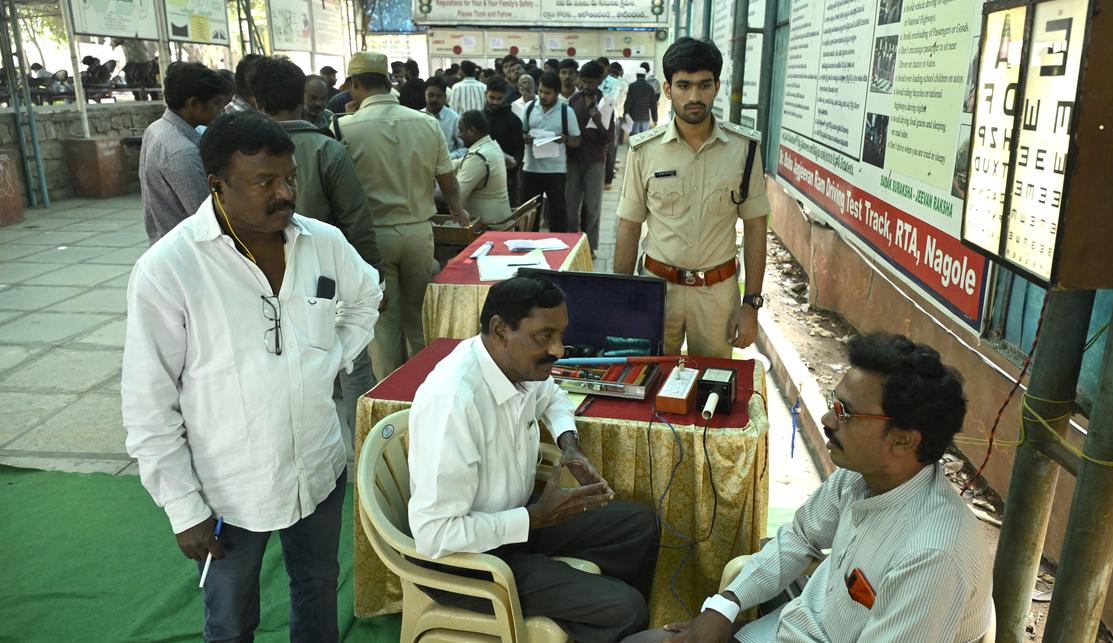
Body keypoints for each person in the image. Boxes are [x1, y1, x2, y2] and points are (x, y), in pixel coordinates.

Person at [122, 110, 382, 643]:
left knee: (317, 585)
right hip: (229, 488)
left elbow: (365, 298)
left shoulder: (322, 241)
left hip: (318, 465)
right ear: (218, 184)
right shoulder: (170, 268)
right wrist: (182, 507)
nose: (285, 193)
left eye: (289, 178)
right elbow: (148, 403)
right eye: (265, 182)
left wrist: (329, 357)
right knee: (230, 617)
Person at [626, 333, 990, 643]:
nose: (828, 419)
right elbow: (801, 537)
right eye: (834, 402)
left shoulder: (932, 557)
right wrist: (725, 606)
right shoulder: (863, 475)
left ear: (904, 441)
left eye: (845, 412)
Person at [408, 276, 659, 643]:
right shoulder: (452, 403)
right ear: (499, 329)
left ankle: (593, 621)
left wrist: (568, 443)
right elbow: (435, 536)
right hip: (467, 563)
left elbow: (552, 397)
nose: (558, 350)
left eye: (561, 334)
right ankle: (606, 615)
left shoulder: (515, 365)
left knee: (640, 525)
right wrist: (534, 518)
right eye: (545, 336)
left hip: (518, 523)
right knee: (627, 609)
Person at [251, 56, 383, 441]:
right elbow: (356, 220)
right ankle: (364, 453)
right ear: (305, 98)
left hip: (267, 276)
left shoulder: (243, 155)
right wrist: (373, 276)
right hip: (329, 276)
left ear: (257, 102)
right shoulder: (326, 149)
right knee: (353, 366)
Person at [614, 37, 768, 359]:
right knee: (651, 381)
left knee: (713, 385)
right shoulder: (644, 150)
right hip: (657, 291)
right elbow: (629, 227)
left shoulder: (745, 150)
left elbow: (755, 228)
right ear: (668, 90)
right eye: (684, 85)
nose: (694, 96)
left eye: (704, 85)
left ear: (717, 86)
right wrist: (621, 299)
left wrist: (751, 304)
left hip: (718, 294)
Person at [335, 51, 469, 377]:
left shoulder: (342, 127)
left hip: (372, 238)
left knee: (383, 327)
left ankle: (391, 397)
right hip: (419, 232)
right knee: (419, 319)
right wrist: (458, 211)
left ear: (353, 84)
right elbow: (448, 182)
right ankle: (426, 387)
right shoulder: (426, 123)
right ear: (389, 81)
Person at [140, 62, 231, 244]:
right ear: (194, 104)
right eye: (218, 103)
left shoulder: (156, 128)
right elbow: (207, 218)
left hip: (164, 240)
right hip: (185, 250)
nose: (222, 111)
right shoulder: (181, 153)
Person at [520, 72, 581, 232]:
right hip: (531, 169)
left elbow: (577, 140)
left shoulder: (566, 112)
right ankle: (529, 246)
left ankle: (558, 248)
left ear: (556, 92)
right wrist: (525, 138)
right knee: (530, 214)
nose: (542, 96)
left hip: (555, 171)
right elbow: (522, 133)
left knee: (557, 213)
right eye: (540, 91)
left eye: (547, 93)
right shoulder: (529, 108)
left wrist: (565, 139)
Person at [565, 61, 613, 251]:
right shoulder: (574, 100)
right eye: (583, 81)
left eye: (591, 82)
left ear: (599, 81)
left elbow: (608, 137)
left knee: (592, 207)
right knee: (571, 205)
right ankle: (571, 244)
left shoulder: (606, 102)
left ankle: (590, 247)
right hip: (573, 159)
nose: (586, 86)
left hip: (595, 160)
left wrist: (598, 121)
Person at [454, 110, 511, 223]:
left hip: (487, 226)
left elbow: (456, 195)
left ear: (472, 131)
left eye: (461, 130)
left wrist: (428, 193)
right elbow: (458, 163)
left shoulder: (478, 156)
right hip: (498, 219)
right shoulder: (491, 146)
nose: (459, 135)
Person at [484, 76, 526, 209]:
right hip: (482, 174)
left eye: (499, 98)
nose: (495, 102)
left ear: (505, 97)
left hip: (507, 177)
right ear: (486, 94)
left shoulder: (513, 120)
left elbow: (520, 149)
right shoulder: (479, 118)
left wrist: (514, 162)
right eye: (492, 98)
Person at [423, 75, 464, 155]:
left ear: (445, 97)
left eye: (439, 96)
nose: (435, 99)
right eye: (431, 95)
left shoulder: (454, 119)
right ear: (425, 96)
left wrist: (447, 159)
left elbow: (464, 148)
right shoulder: (418, 117)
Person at [625, 69, 659, 135]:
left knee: (634, 140)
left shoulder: (632, 86)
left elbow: (628, 102)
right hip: (645, 118)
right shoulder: (650, 88)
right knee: (644, 140)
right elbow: (653, 106)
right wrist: (655, 119)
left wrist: (626, 114)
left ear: (636, 75)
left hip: (634, 118)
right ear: (644, 76)